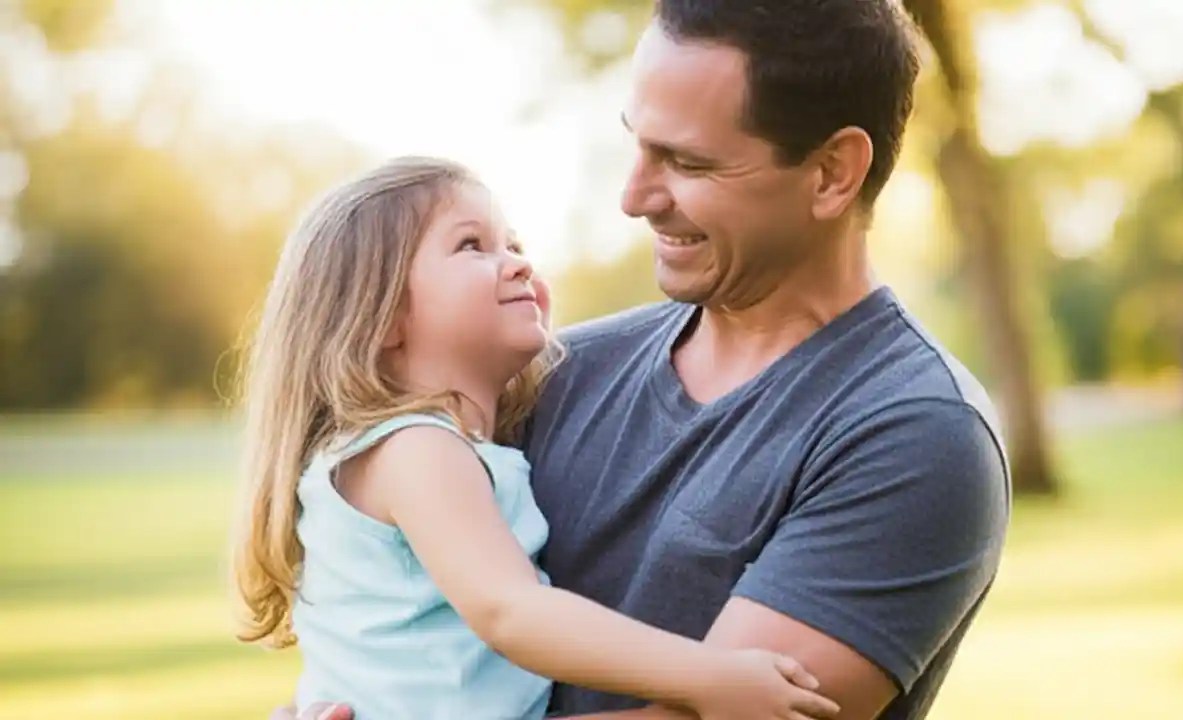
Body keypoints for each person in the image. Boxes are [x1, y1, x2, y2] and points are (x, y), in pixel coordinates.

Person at [283, 1, 1009, 718]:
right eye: (638, 143)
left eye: (688, 162)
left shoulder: (914, 433)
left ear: (831, 173)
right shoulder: (554, 375)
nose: (633, 198)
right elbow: (402, 628)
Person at [232, 156, 843, 720]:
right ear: (383, 317)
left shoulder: (453, 448)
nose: (520, 262)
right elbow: (511, 610)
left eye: (515, 244)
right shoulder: (415, 450)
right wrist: (710, 677)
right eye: (472, 246)